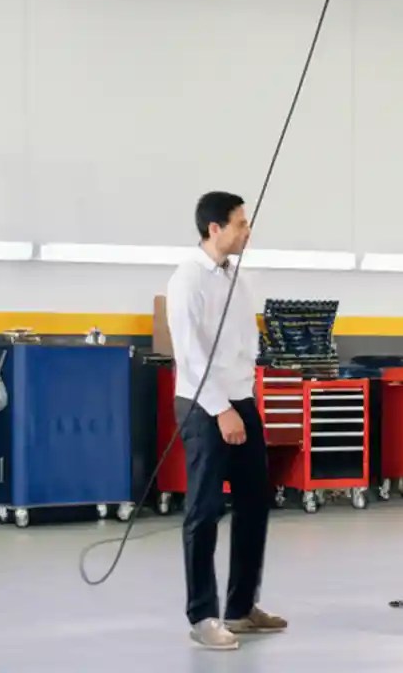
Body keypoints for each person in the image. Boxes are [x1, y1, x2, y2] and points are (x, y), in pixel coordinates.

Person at [166, 190, 287, 650]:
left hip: (240, 400)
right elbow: (190, 355)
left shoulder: (238, 276)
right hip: (204, 406)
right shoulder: (187, 280)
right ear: (214, 228)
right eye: (241, 223)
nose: (247, 231)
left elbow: (244, 341)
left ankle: (240, 608)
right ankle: (203, 615)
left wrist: (244, 399)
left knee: (255, 502)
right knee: (204, 511)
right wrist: (221, 409)